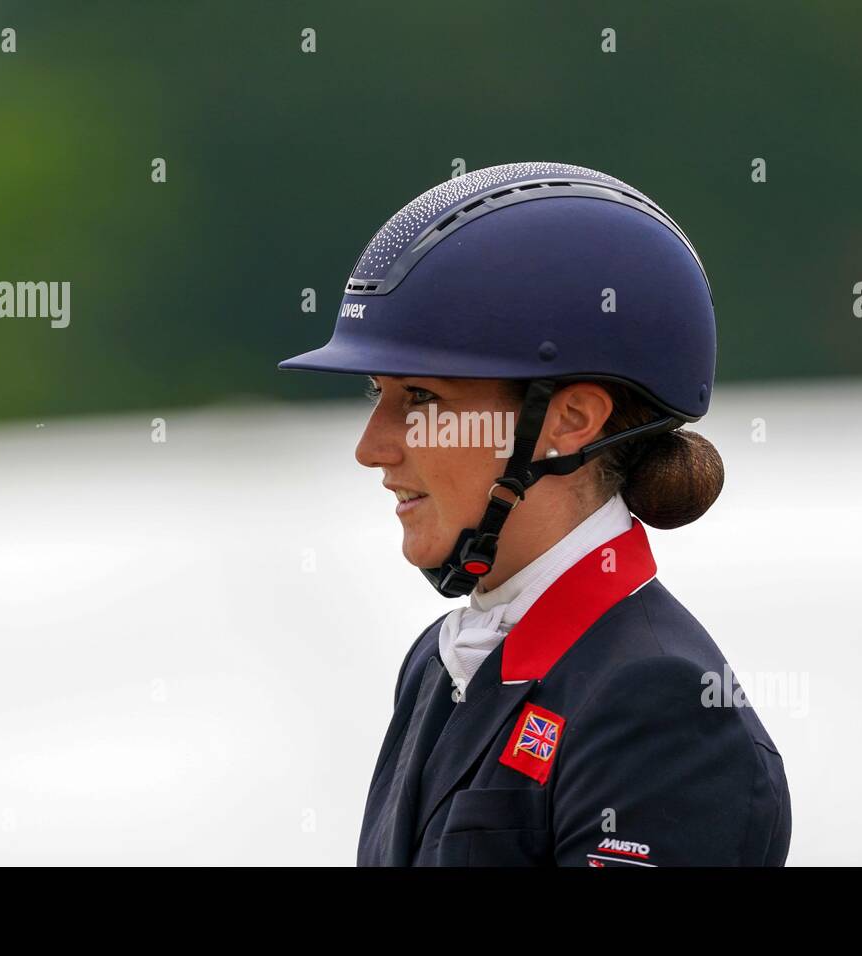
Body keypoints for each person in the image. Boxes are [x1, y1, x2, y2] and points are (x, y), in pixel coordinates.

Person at [278, 161, 790, 866]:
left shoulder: (662, 706)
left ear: (571, 419)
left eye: (422, 400)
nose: (372, 449)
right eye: (378, 394)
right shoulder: (437, 664)